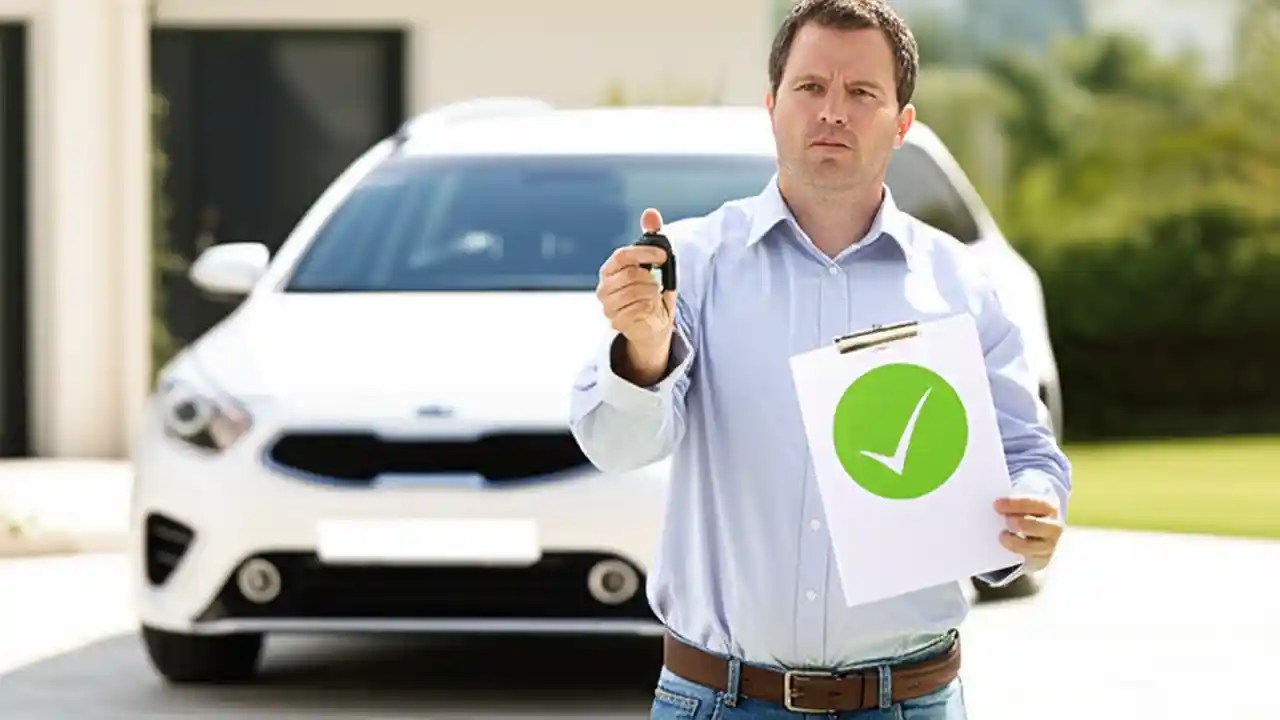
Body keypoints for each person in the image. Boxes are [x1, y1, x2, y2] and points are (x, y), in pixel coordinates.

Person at [568, 0, 1071, 717]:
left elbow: (1027, 455)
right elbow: (615, 447)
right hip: (718, 700)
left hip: (910, 702)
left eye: (861, 92)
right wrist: (644, 353)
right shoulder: (692, 268)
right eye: (810, 87)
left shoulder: (962, 284)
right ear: (772, 105)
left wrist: (1035, 511)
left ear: (902, 123)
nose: (832, 111)